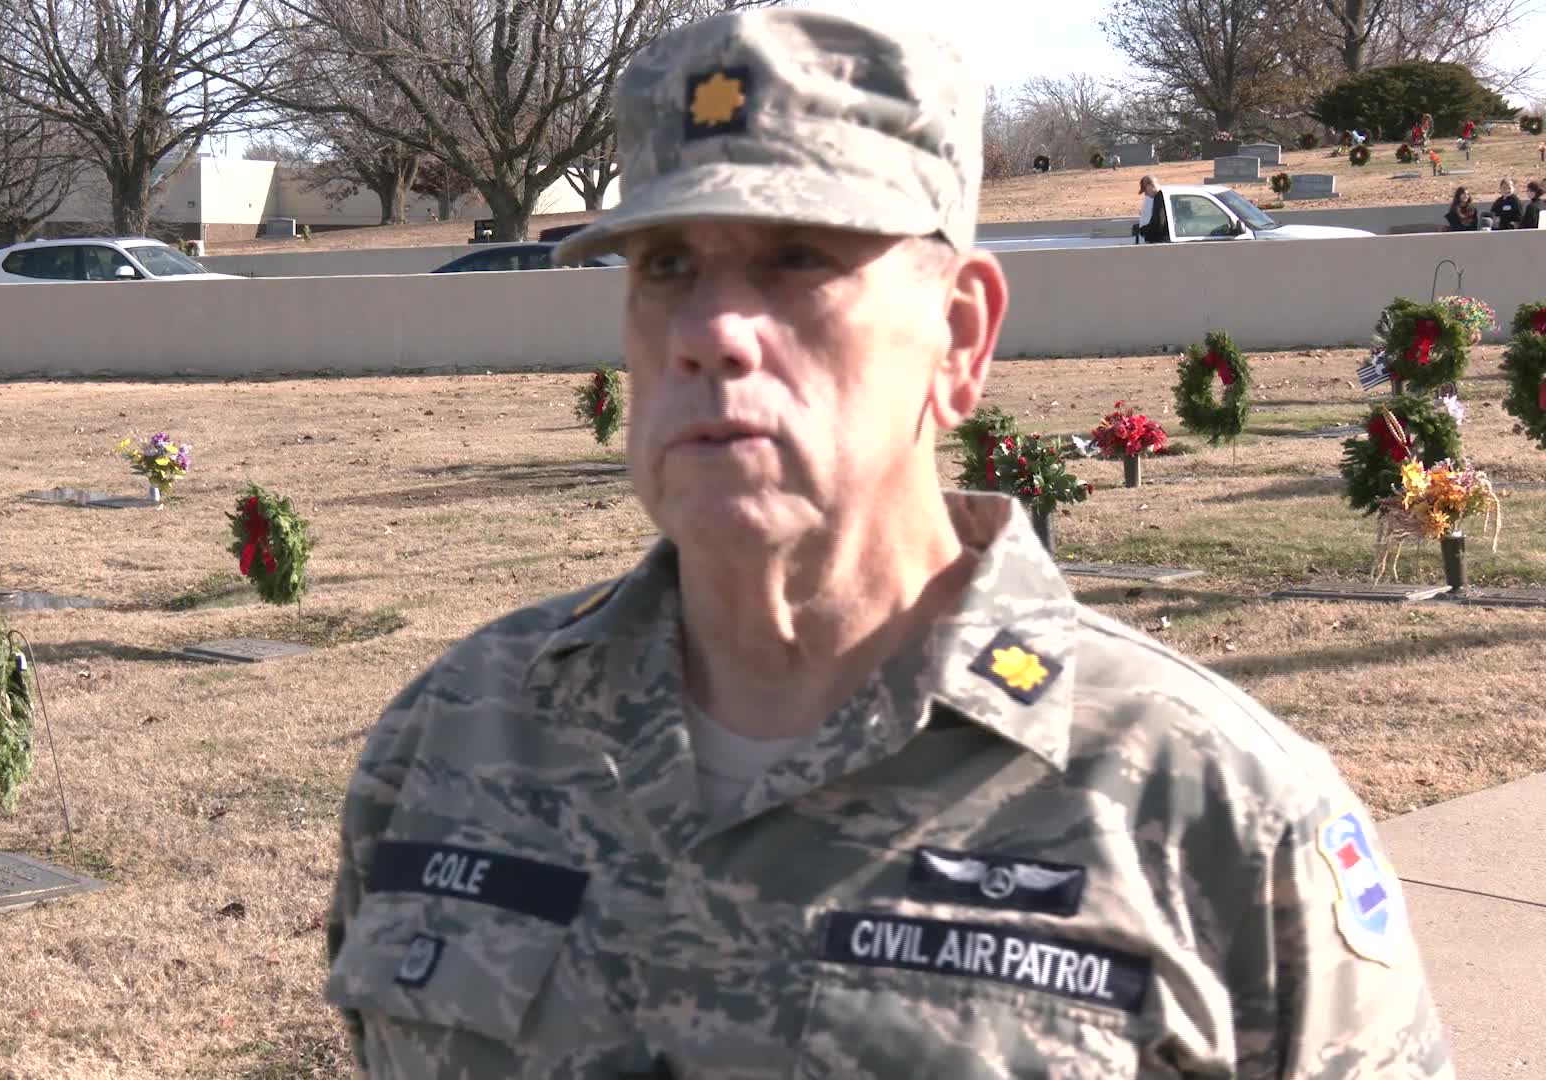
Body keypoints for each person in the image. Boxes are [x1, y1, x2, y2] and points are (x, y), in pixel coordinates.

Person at [322, 8, 1457, 1077]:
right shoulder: (458, 735)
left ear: (960, 338)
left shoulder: (1215, 810)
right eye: (666, 266)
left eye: (798, 258)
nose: (710, 332)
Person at [1134, 173, 1169, 243]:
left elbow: (1158, 224)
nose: (1145, 194)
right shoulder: (1165, 195)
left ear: (1150, 186)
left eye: (1145, 190)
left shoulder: (1159, 197)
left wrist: (1143, 230)